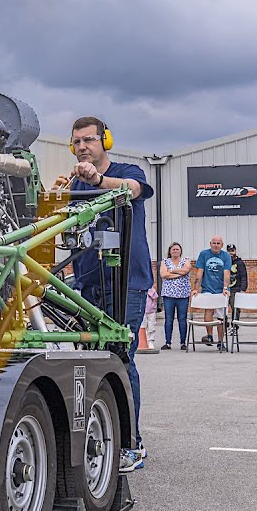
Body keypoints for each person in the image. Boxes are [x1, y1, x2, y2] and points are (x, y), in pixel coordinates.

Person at [53, 116, 154, 472]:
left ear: (105, 141)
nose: (82, 147)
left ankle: (131, 445)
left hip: (127, 283)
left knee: (120, 358)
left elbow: (133, 189)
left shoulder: (128, 171)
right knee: (89, 361)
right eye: (77, 142)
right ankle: (101, 438)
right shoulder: (74, 186)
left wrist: (97, 180)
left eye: (89, 140)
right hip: (87, 285)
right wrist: (56, 197)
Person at [192, 236, 231, 351]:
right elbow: (199, 272)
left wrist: (225, 288)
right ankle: (209, 335)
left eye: (218, 243)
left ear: (222, 245)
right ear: (210, 244)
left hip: (220, 290)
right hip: (207, 288)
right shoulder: (204, 254)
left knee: (221, 317)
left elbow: (227, 273)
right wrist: (196, 288)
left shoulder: (226, 256)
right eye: (214, 243)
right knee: (208, 311)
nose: (216, 245)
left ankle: (220, 341)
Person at [158, 242, 192, 351]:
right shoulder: (165, 261)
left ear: (180, 251)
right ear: (170, 251)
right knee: (169, 319)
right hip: (169, 295)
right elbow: (163, 274)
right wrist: (179, 274)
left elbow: (186, 270)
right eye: (173, 249)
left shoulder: (186, 261)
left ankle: (183, 342)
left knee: (182, 319)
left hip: (183, 295)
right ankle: (168, 342)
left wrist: (171, 271)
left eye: (177, 249)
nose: (175, 251)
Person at [226, 243, 248, 323]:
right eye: (229, 251)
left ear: (235, 251)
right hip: (225, 289)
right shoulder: (224, 262)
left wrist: (243, 289)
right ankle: (224, 325)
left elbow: (244, 276)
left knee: (236, 308)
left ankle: (234, 325)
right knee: (222, 308)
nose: (231, 253)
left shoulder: (240, 263)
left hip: (236, 289)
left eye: (232, 251)